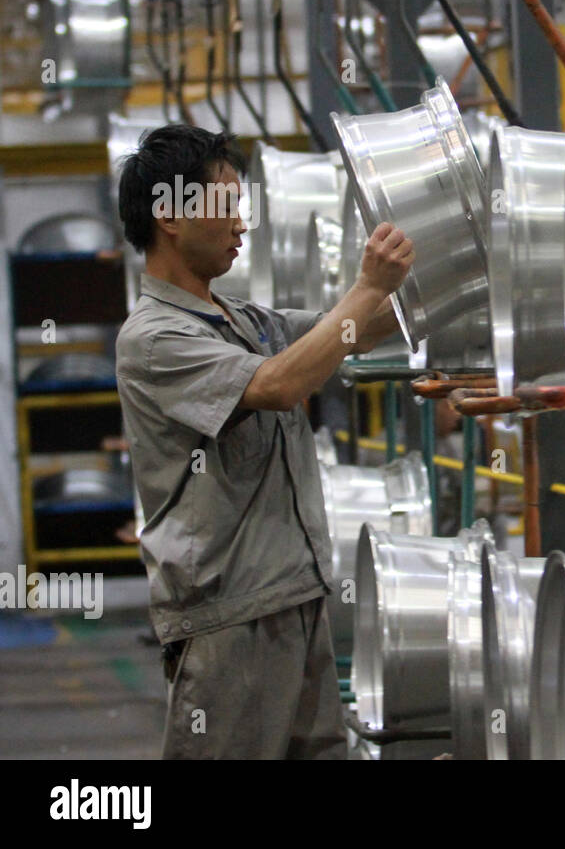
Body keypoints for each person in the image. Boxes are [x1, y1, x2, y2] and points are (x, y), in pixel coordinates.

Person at [113, 125, 413, 758]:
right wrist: (367, 286)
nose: (241, 224)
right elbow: (280, 383)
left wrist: (431, 276)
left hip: (296, 599)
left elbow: (354, 331)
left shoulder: (244, 321)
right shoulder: (154, 339)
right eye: (226, 203)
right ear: (170, 213)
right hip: (230, 619)